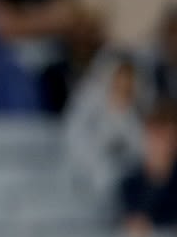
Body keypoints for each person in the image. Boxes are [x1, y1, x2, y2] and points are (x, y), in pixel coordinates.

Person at [63, 54, 153, 199]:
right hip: (86, 172)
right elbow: (74, 134)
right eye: (120, 78)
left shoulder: (138, 111)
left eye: (128, 80)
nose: (124, 84)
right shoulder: (90, 100)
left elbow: (141, 149)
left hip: (125, 179)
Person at [117, 107, 177, 237]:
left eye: (165, 137)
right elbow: (126, 219)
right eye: (154, 135)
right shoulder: (129, 183)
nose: (159, 144)